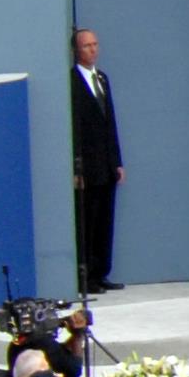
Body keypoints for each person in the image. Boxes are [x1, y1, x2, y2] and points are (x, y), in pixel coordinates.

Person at [69, 27, 122, 293]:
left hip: (106, 164)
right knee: (87, 221)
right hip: (87, 166)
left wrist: (117, 161)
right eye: (87, 45)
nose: (92, 49)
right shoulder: (72, 82)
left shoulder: (102, 78)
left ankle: (102, 271)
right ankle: (86, 276)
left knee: (105, 219)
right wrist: (75, 164)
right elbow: (76, 126)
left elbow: (110, 123)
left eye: (95, 44)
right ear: (76, 50)